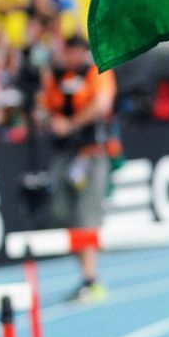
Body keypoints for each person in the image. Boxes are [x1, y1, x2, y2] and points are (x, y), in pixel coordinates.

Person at [39, 35, 116, 302]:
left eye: (77, 51)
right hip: (63, 155)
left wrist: (70, 125)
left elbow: (102, 104)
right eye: (68, 51)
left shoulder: (97, 72)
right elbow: (44, 107)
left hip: (90, 154)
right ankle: (86, 275)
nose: (72, 56)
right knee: (61, 213)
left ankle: (91, 279)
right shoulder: (56, 77)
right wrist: (50, 120)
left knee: (86, 215)